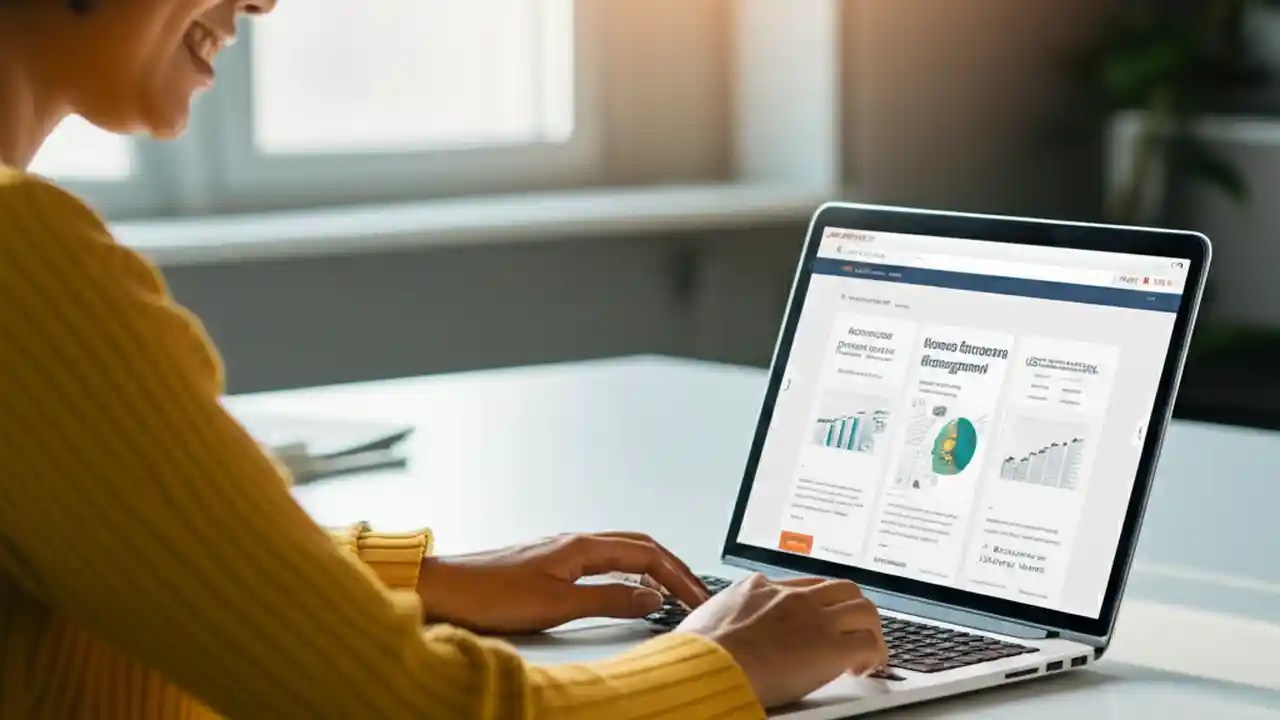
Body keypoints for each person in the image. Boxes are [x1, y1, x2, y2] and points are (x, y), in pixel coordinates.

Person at [0, 1, 889, 718]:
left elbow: (113, 560)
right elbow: (415, 707)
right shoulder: (23, 258)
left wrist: (422, 578)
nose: (265, 2)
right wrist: (723, 663)